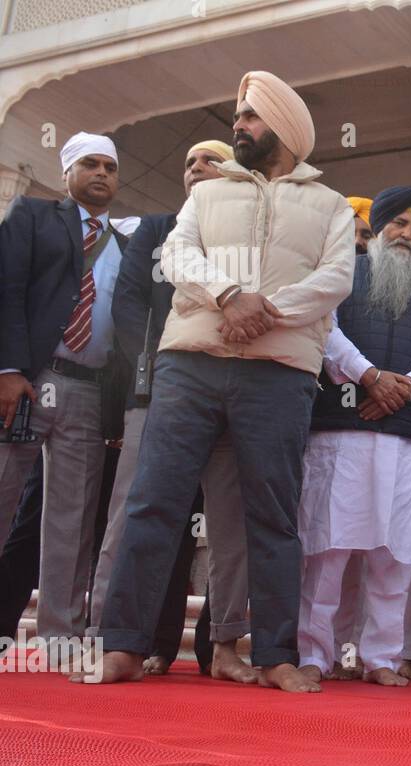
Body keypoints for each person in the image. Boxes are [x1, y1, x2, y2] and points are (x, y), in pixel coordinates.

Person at [85, 70, 355, 692]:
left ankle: (275, 655)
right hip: (192, 366)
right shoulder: (204, 198)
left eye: (251, 117)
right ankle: (122, 645)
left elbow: (336, 279)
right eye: (239, 117)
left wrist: (261, 312)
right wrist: (229, 295)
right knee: (155, 502)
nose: (238, 127)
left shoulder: (329, 206)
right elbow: (176, 258)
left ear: (284, 129)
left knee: (274, 518)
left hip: (278, 376)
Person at [91, 139, 249, 678]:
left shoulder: (242, 235)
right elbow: (128, 305)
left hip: (227, 397)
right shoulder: (155, 233)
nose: (197, 169)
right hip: (156, 392)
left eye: (210, 160)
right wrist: (163, 364)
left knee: (223, 524)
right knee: (137, 517)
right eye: (188, 163)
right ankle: (118, 637)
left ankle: (216, 650)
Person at [297, 186, 411, 687]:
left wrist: (407, 385)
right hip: (341, 434)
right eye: (399, 224)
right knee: (327, 549)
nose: (407, 234)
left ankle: (381, 658)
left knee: (394, 555)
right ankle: (314, 655)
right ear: (380, 228)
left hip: (403, 439)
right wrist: (369, 376)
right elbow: (326, 330)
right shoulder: (344, 274)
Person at [0, 132, 128, 640]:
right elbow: (6, 290)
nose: (101, 174)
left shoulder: (127, 244)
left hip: (88, 391)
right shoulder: (30, 216)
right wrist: (7, 369)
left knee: (72, 521)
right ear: (67, 173)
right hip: (27, 383)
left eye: (110, 167)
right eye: (90, 164)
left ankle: (60, 635)